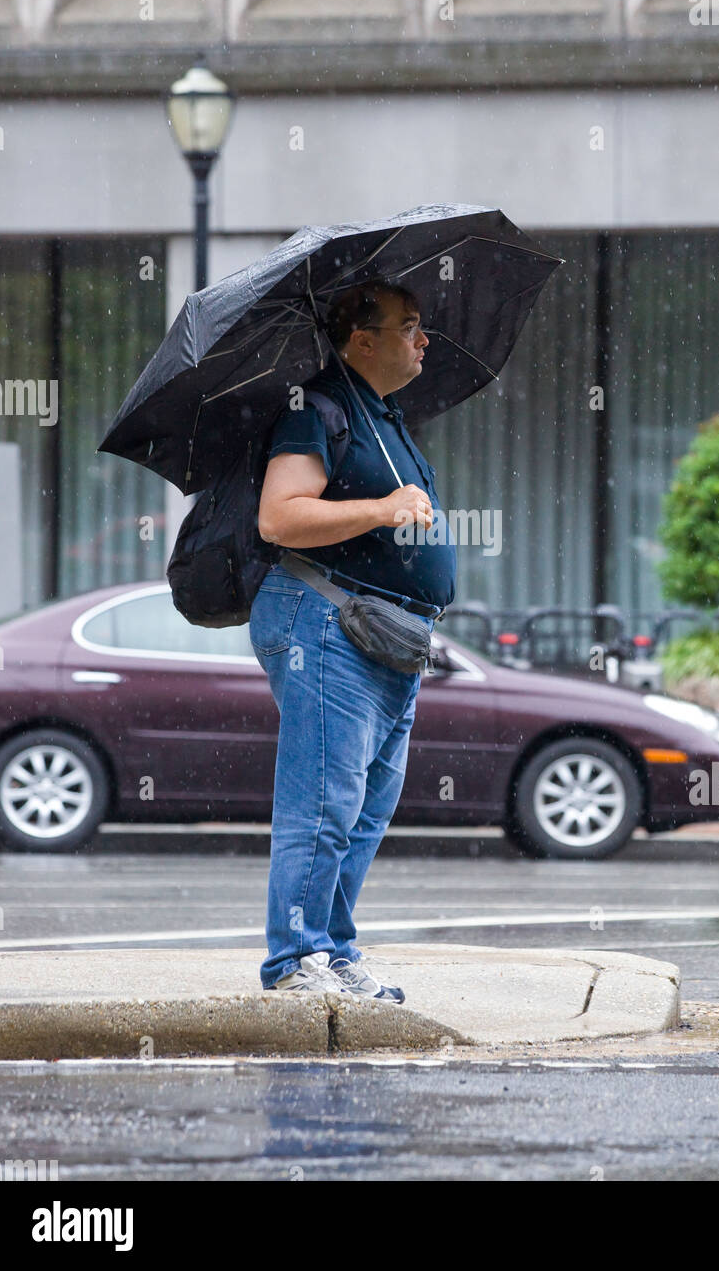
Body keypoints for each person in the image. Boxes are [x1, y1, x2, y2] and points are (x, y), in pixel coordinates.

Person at [251, 277, 457, 1002]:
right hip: (326, 623)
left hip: (387, 640)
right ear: (361, 339)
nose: (423, 339)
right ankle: (295, 962)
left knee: (364, 810)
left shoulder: (383, 417)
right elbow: (279, 518)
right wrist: (382, 509)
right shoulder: (319, 408)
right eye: (408, 326)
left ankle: (333, 952)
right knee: (323, 804)